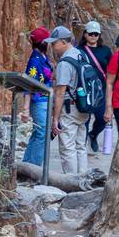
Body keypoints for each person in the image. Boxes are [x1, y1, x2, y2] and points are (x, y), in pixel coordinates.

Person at [48, 26, 89, 176]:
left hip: (70, 108)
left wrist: (55, 119)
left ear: (64, 42)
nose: (52, 47)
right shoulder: (81, 55)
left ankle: (71, 181)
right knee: (80, 145)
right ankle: (83, 179)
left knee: (67, 147)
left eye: (54, 43)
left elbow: (60, 93)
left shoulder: (64, 63)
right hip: (84, 107)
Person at [76, 21, 112, 151]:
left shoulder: (106, 51)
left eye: (96, 34)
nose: (93, 36)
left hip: (100, 91)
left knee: (103, 119)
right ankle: (82, 147)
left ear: (99, 35)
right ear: (85, 34)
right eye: (90, 33)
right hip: (84, 91)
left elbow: (111, 71)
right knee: (84, 119)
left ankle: (93, 134)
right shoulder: (78, 51)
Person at [20, 26, 52, 166]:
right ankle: (35, 167)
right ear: (42, 42)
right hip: (39, 101)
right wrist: (26, 109)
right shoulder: (35, 60)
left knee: (38, 133)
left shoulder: (43, 57)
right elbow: (29, 84)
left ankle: (27, 164)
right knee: (42, 134)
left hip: (45, 100)